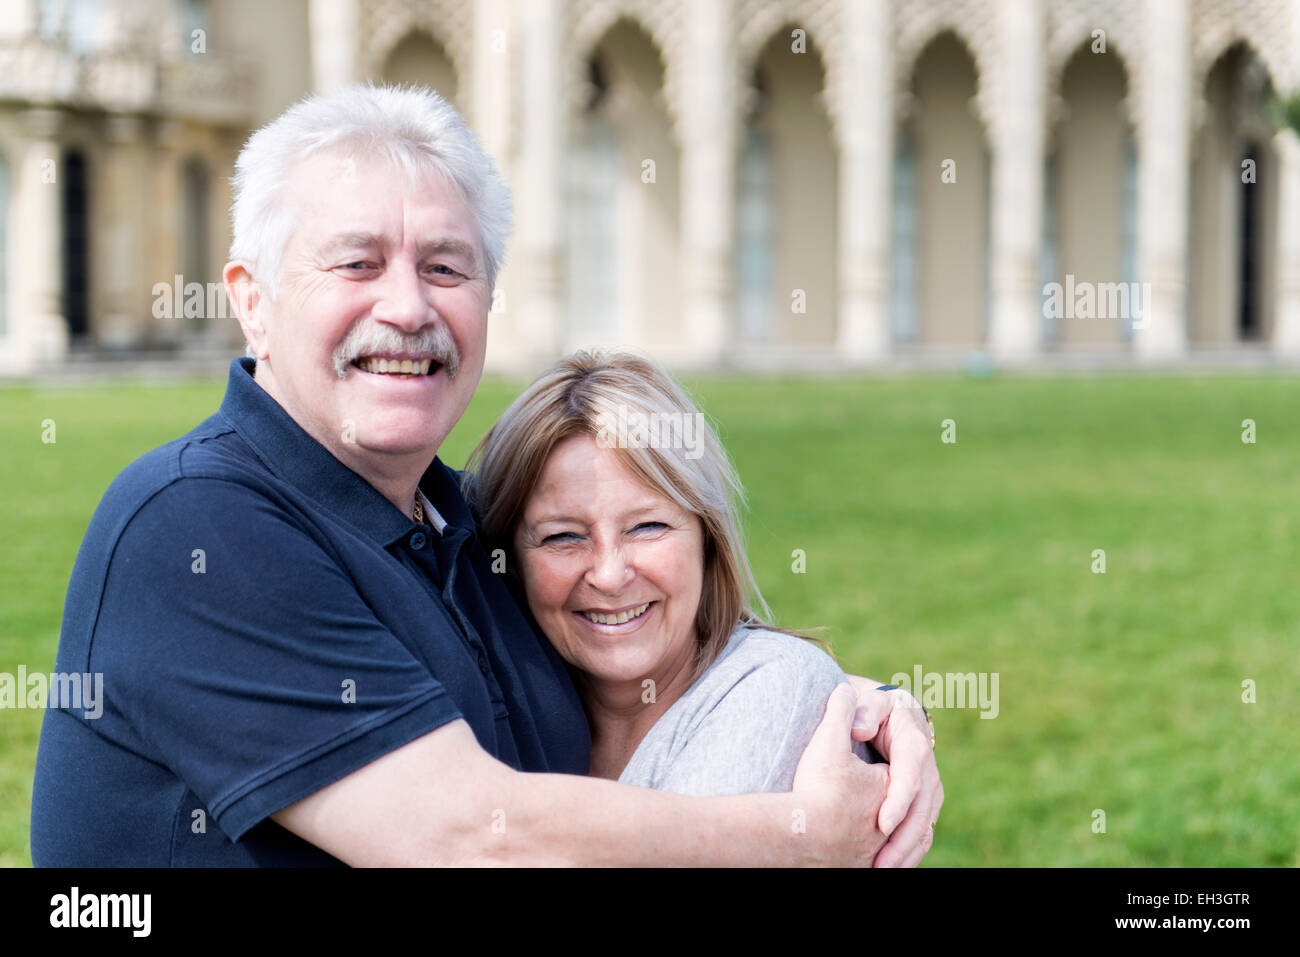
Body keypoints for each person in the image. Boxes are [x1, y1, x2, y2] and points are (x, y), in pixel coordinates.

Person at [30, 83, 941, 866]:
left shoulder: (465, 525)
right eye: (357, 262)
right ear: (252, 302)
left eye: (445, 266)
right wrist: (802, 832)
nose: (407, 306)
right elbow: (468, 839)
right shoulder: (196, 525)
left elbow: (658, 634)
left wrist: (870, 714)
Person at [466, 351, 887, 795]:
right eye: (563, 537)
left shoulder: (773, 685)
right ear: (510, 559)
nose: (609, 576)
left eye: (648, 527)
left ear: (707, 539)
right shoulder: (490, 709)